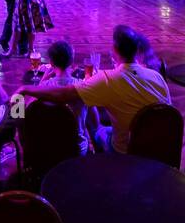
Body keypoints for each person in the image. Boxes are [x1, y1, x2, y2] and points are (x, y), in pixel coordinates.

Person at [18, 25, 169, 153]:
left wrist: (26, 89)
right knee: (94, 119)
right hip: (159, 149)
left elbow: (63, 95)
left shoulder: (107, 79)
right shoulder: (157, 77)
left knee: (97, 130)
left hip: (126, 152)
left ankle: (99, 165)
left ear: (114, 49)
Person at [42, 40, 91, 155]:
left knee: (17, 105)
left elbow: (33, 97)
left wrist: (44, 77)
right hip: (78, 149)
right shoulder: (83, 86)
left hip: (52, 148)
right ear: (71, 62)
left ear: (51, 63)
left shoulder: (44, 87)